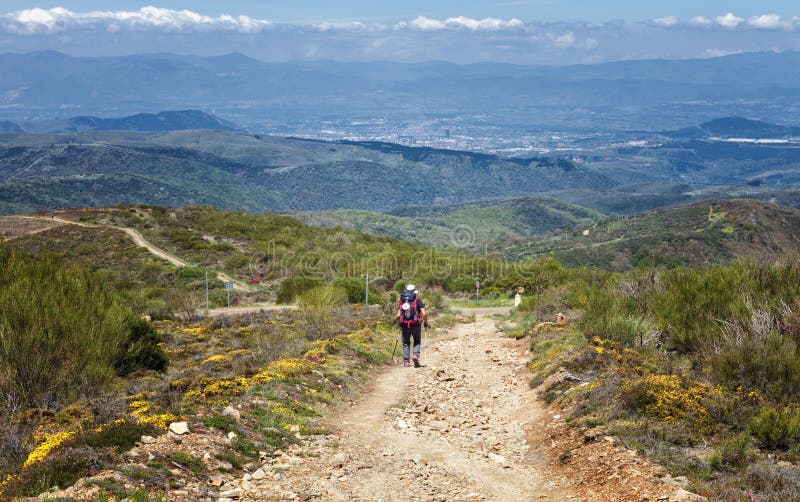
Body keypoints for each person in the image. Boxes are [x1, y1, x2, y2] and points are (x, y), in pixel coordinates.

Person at [397, 284, 429, 367]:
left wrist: (400, 323)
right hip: (416, 324)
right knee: (417, 340)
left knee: (405, 343)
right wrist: (425, 322)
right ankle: (415, 355)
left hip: (404, 325)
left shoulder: (401, 300)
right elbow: (424, 314)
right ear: (414, 291)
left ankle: (406, 362)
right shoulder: (417, 300)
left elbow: (398, 315)